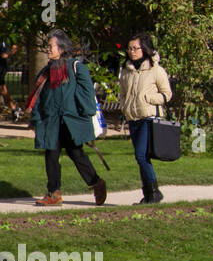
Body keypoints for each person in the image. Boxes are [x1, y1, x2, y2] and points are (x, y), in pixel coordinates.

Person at [27, 29, 106, 206]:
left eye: (50, 46)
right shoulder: (46, 72)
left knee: (76, 153)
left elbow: (87, 93)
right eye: (47, 46)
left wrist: (85, 112)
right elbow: (40, 98)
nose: (47, 49)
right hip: (52, 121)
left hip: (71, 121)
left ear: (61, 48)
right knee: (51, 155)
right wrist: (35, 119)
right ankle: (54, 194)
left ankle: (96, 183)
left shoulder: (76, 68)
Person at [118, 32, 173, 204]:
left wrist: (149, 99)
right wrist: (124, 106)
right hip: (132, 118)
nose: (132, 51)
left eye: (136, 48)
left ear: (145, 49)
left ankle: (155, 192)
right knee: (142, 158)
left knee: (140, 156)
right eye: (129, 48)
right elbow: (123, 93)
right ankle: (148, 195)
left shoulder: (156, 70)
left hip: (148, 118)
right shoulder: (126, 71)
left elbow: (167, 94)